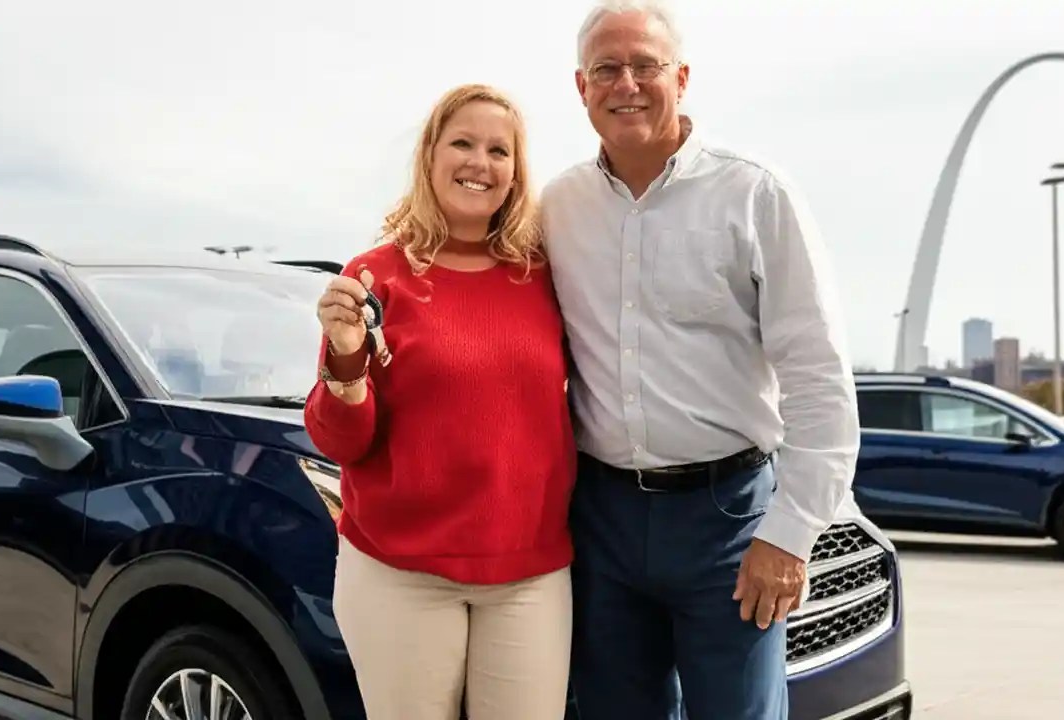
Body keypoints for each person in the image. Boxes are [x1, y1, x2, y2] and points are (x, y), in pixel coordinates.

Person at [539, 2, 862, 718]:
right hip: (604, 519)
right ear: (581, 88)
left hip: (728, 520)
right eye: (606, 69)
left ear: (681, 78)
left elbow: (817, 377)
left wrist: (790, 533)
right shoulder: (557, 207)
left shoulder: (755, 195)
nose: (626, 83)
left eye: (645, 66)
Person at [304, 83, 575, 720]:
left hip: (529, 576)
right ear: (430, 157)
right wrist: (345, 359)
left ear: (516, 172)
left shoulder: (545, 273)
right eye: (462, 143)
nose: (480, 163)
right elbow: (340, 440)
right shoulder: (375, 274)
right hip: (400, 575)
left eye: (498, 150)